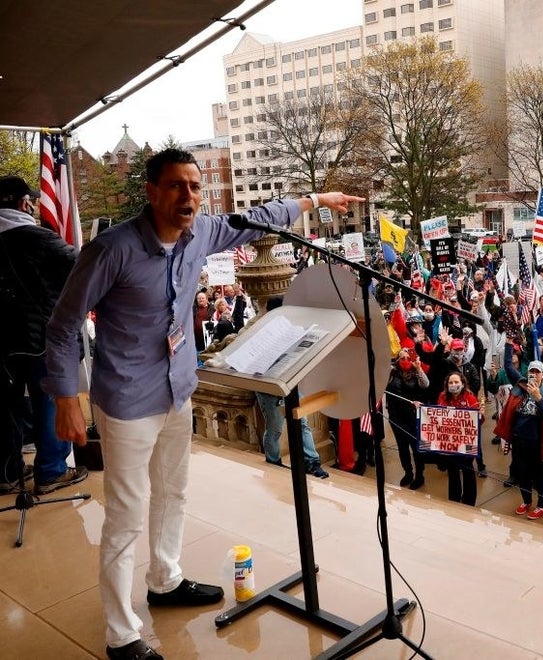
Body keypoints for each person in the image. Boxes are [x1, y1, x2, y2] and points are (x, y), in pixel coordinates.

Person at [44, 147, 363, 660]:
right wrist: (65, 398)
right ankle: (121, 634)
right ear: (151, 192)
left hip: (178, 389)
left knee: (174, 493)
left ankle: (165, 581)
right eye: (175, 186)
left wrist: (316, 199)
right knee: (126, 515)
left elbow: (259, 218)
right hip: (126, 400)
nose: (188, 195)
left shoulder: (205, 234)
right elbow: (61, 328)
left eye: (194, 186)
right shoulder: (111, 250)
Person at [0, 175, 88, 495]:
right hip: (41, 339)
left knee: (6, 407)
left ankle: (6, 472)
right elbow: (82, 267)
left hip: (3, 344)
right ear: (24, 203)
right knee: (49, 401)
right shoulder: (37, 237)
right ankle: (51, 470)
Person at [255, 297, 328, 479]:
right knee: (275, 428)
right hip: (269, 387)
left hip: (292, 384)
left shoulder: (293, 328)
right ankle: (273, 461)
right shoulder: (260, 331)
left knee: (302, 424)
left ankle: (312, 462)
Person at [493, 357, 543, 520]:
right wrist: (508, 343)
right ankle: (526, 501)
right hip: (519, 441)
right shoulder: (521, 387)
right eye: (531, 371)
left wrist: (537, 396)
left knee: (541, 476)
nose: (534, 375)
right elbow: (508, 366)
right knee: (522, 473)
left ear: (542, 375)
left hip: (538, 444)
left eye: (538, 372)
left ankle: (542, 505)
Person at [385, 347, 430, 490]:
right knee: (402, 447)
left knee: (416, 447)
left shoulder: (415, 371)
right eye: (402, 358)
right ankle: (408, 472)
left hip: (413, 416)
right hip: (397, 416)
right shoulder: (392, 373)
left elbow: (425, 385)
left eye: (407, 358)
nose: (405, 361)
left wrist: (419, 369)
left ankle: (419, 475)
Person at [436, 372, 480, 506]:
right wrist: (422, 409)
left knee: (468, 470)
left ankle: (469, 501)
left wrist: (480, 416)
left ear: (462, 384)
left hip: (466, 443)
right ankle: (454, 500)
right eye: (451, 383)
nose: (453, 385)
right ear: (447, 385)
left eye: (456, 382)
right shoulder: (443, 396)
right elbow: (436, 415)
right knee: (453, 471)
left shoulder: (470, 398)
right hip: (450, 443)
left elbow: (477, 422)